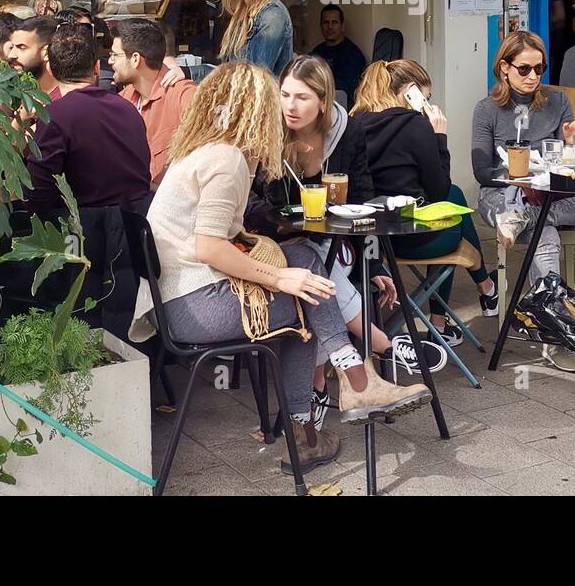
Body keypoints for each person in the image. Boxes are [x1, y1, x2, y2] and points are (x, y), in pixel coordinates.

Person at [130, 62, 430, 474]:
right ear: (255, 108)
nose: (282, 110)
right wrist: (277, 276)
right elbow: (209, 247)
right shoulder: (226, 159)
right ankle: (343, 399)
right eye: (275, 101)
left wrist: (284, 266)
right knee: (303, 297)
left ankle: (341, 398)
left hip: (177, 299)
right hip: (194, 306)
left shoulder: (209, 149)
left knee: (306, 261)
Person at [246, 56, 445, 424]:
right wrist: (283, 221)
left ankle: (320, 391)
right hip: (273, 244)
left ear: (323, 101)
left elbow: (364, 198)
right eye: (285, 95)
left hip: (333, 244)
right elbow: (247, 202)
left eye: (302, 97)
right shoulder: (267, 130)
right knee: (314, 266)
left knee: (321, 270)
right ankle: (377, 353)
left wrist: (375, 264)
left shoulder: (346, 131)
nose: (290, 105)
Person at [354, 59, 498, 343]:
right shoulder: (415, 125)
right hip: (415, 239)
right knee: (451, 200)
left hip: (372, 245)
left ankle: (483, 290)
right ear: (411, 91)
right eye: (426, 97)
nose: (427, 104)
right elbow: (437, 189)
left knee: (454, 195)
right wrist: (439, 137)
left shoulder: (354, 122)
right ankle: (461, 306)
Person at [473, 31, 575, 289]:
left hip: (549, 193)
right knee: (544, 233)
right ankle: (553, 305)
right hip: (504, 193)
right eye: (524, 69)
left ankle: (525, 218)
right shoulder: (487, 109)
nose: (533, 76)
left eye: (539, 68)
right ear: (504, 67)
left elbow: (562, 168)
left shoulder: (558, 100)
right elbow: (482, 172)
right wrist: (520, 178)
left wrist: (569, 144)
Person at [25, 24, 152, 211]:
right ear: (97, 67)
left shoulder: (56, 116)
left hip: (84, 232)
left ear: (50, 69)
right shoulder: (128, 109)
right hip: (136, 227)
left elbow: (37, 190)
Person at [109, 19, 198, 190]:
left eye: (115, 55)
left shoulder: (183, 96)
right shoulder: (123, 100)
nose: (110, 61)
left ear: (135, 59)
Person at [310, 4, 367, 106]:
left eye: (334, 22)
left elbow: (346, 90)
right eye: (326, 23)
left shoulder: (353, 55)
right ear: (321, 26)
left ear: (342, 26)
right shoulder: (316, 52)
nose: (330, 27)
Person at [6, 16, 60, 98]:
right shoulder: (15, 94)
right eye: (12, 47)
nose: (11, 55)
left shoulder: (63, 101)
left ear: (46, 52)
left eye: (22, 47)